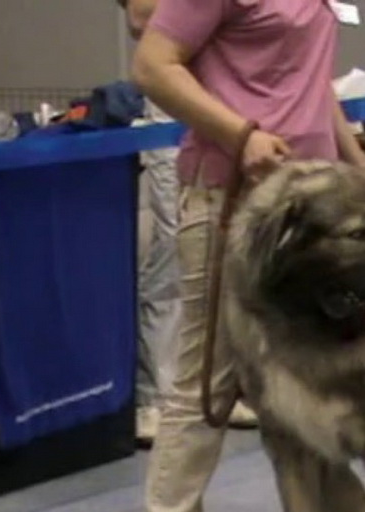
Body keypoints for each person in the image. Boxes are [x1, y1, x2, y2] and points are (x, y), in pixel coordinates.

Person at [128, 0, 365, 512]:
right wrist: (241, 135)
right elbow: (154, 66)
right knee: (205, 386)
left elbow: (312, 79)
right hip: (228, 198)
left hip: (313, 205)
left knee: (312, 377)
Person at [116, 0, 257, 445]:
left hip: (229, 107)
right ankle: (153, 397)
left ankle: (220, 384)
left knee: (232, 260)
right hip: (176, 112)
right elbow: (141, 17)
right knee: (173, 254)